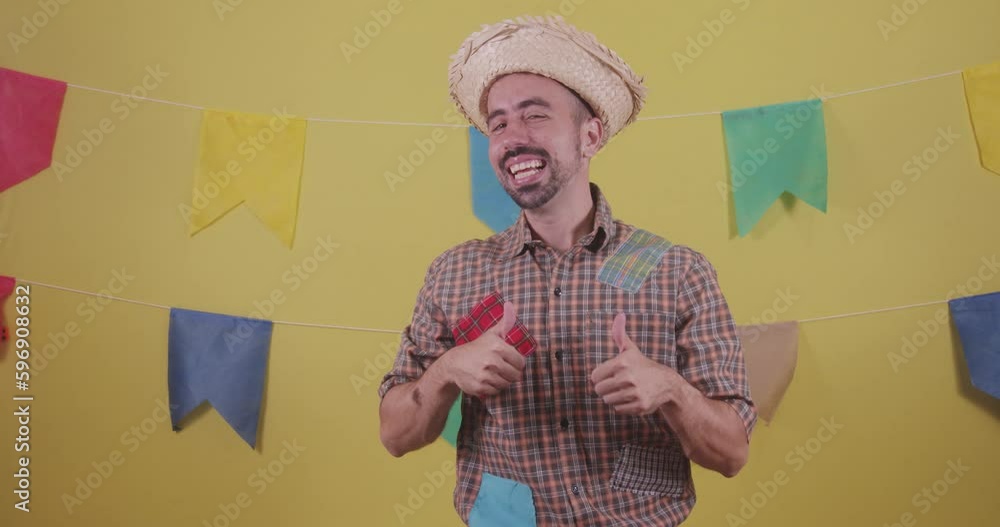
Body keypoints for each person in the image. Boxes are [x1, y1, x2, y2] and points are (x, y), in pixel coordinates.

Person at [378, 15, 757, 526]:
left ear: (591, 135)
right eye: (499, 122)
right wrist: (447, 371)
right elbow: (396, 436)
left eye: (535, 116)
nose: (512, 137)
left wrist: (669, 388)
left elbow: (731, 455)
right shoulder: (455, 273)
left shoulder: (676, 271)